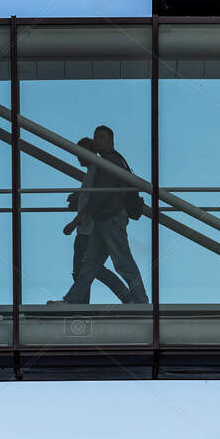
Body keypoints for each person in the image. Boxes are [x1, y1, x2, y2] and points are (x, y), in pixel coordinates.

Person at [61, 125, 149, 305]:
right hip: (103, 218)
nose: (97, 140)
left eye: (101, 137)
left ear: (111, 141)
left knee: (122, 262)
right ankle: (73, 299)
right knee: (90, 264)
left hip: (110, 217)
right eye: (96, 137)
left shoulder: (110, 161)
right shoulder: (108, 162)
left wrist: (81, 215)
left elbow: (102, 194)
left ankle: (140, 300)